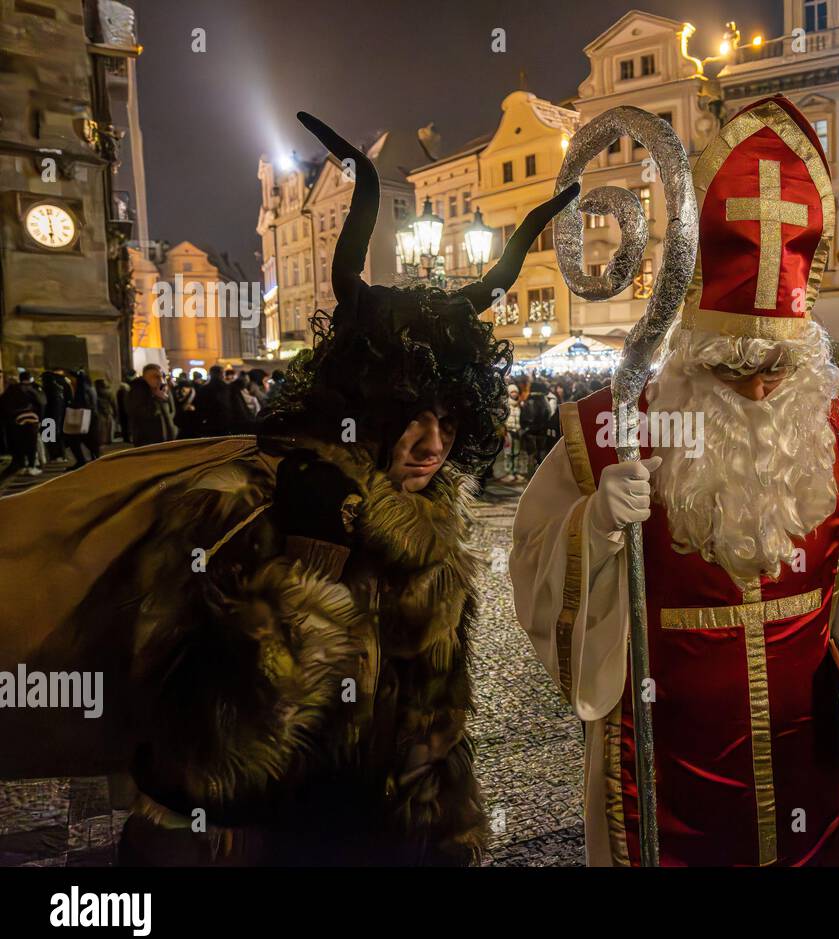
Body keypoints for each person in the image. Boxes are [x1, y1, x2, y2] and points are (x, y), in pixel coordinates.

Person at [0, 111, 578, 866]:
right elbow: (210, 742)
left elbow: (432, 722)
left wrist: (445, 830)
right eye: (405, 416)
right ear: (358, 408)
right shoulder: (242, 503)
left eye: (446, 417)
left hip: (383, 841)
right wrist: (309, 575)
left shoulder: (430, 523)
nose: (430, 442)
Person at [511, 95, 839, 867]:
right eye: (733, 369)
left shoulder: (838, 436)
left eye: (777, 370)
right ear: (691, 352)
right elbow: (531, 567)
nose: (758, 391)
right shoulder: (607, 433)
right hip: (661, 767)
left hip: (803, 759)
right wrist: (594, 527)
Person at [0, 371, 43, 479]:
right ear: (30, 378)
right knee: (31, 443)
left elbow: (3, 404)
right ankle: (32, 466)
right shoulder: (32, 389)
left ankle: (22, 465)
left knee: (20, 443)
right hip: (31, 418)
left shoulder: (11, 389)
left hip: (15, 420)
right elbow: (41, 402)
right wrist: (40, 418)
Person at [125, 364, 177, 446]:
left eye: (162, 376)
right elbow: (140, 415)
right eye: (155, 377)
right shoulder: (137, 392)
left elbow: (172, 412)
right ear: (145, 378)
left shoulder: (164, 391)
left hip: (167, 439)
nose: (160, 380)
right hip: (147, 442)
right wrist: (157, 399)